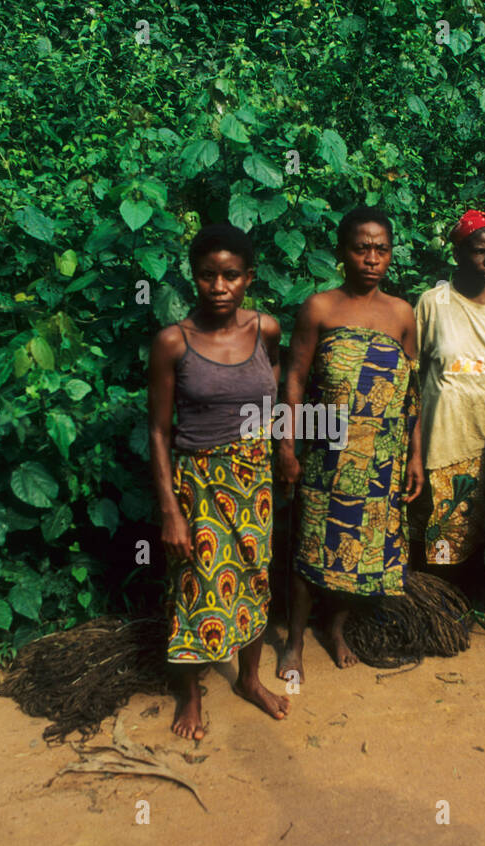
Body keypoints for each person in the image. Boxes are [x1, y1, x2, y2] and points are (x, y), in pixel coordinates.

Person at [147, 223, 289, 740]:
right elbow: (158, 431)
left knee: (255, 576)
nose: (219, 286)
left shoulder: (266, 330)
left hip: (254, 479)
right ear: (195, 278)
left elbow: (272, 387)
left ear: (248, 277)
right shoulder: (173, 343)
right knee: (194, 585)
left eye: (231, 275)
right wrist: (170, 510)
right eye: (208, 275)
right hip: (198, 484)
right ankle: (189, 694)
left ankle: (249, 679)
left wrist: (277, 450)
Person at [276, 207, 423, 682]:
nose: (371, 258)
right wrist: (287, 446)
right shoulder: (320, 307)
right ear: (343, 251)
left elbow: (410, 393)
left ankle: (336, 629)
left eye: (381, 249)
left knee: (360, 550)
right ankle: (295, 640)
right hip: (328, 452)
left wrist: (415, 456)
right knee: (312, 544)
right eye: (362, 247)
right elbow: (295, 379)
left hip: (381, 455)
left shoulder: (402, 313)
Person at [409, 210, 485, 594]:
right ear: (459, 254)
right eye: (480, 251)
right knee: (437, 523)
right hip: (440, 435)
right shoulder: (433, 302)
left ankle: (463, 595)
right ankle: (435, 596)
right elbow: (413, 372)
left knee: (477, 522)